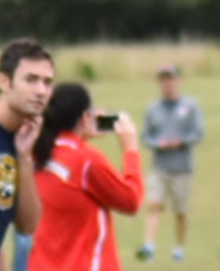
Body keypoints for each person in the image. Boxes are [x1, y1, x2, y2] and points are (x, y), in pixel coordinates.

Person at [31, 84, 143, 271]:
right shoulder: (86, 161)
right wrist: (130, 149)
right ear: (85, 117)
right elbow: (131, 200)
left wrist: (81, 136)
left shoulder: (36, 154)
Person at [0, 40, 54, 271]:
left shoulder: (20, 140)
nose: (41, 91)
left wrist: (24, 157)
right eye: (31, 79)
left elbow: (28, 225)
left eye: (47, 82)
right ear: (4, 81)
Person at [137, 67, 204, 263]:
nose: (167, 84)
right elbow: (145, 136)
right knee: (154, 204)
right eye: (163, 80)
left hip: (182, 166)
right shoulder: (153, 109)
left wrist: (181, 142)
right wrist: (158, 143)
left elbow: (198, 132)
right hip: (160, 165)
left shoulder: (189, 106)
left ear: (178, 81)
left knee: (180, 211)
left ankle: (179, 247)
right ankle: (149, 245)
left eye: (170, 79)